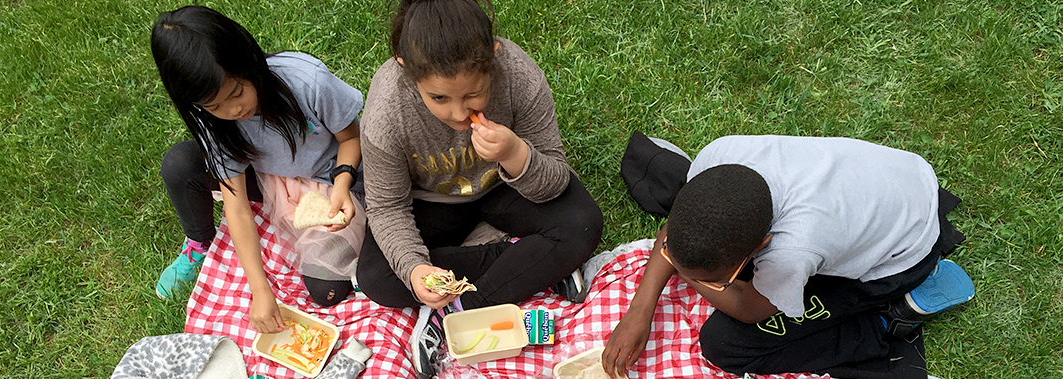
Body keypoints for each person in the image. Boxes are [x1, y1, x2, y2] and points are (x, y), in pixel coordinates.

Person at [356, 0, 604, 376]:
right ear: (406, 70)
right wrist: (416, 269)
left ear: (494, 57)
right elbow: (387, 206)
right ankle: (527, 260)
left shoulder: (518, 75)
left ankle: (461, 309)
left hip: (504, 187)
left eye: (473, 93)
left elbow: (555, 179)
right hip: (432, 201)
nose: (458, 113)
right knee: (379, 277)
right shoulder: (387, 111)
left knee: (582, 224)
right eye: (439, 98)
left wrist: (515, 153)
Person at [602, 135, 973, 378]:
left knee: (724, 345)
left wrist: (685, 273)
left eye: (715, 281)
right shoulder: (715, 159)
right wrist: (640, 310)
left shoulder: (791, 251)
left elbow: (748, 308)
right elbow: (674, 231)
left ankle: (886, 321)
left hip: (904, 254)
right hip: (897, 179)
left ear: (762, 245)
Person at [150, 6, 367, 333]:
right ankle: (199, 243)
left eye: (237, 93)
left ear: (249, 59)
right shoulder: (214, 120)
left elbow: (351, 137)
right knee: (181, 164)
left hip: (332, 174)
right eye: (215, 106)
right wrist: (260, 290)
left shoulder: (306, 81)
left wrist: (341, 185)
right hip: (271, 177)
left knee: (326, 290)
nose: (233, 110)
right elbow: (236, 205)